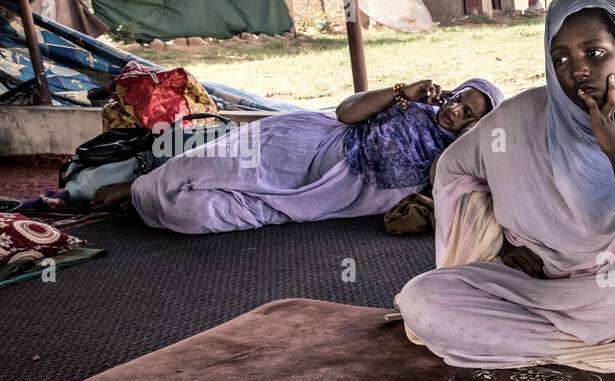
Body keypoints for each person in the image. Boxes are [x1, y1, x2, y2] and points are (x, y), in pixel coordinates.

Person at [397, 0, 615, 381]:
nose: (578, 71)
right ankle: (595, 352)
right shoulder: (522, 117)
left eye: (594, 53)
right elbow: (451, 168)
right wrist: (498, 246)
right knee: (421, 297)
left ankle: (522, 338)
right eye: (561, 59)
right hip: (535, 285)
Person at [91, 77, 503, 234]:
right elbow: (346, 112)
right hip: (309, 143)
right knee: (211, 163)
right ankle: (135, 188)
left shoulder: (457, 155)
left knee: (195, 215)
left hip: (326, 194)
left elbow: (445, 183)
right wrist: (403, 91)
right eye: (456, 99)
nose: (453, 110)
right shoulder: (415, 104)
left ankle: (148, 204)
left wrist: (467, 140)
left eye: (468, 113)